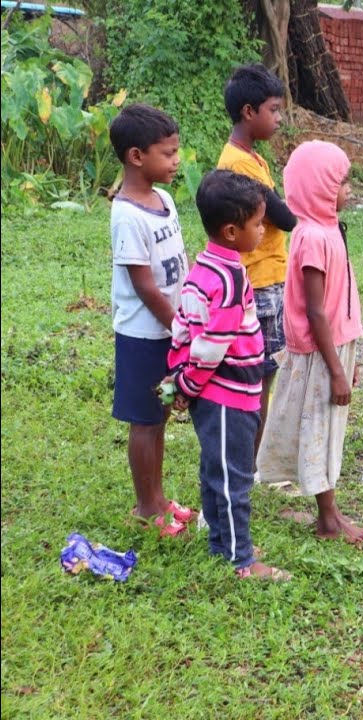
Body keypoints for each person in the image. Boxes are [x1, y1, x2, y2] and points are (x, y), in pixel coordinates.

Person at [167, 170, 289, 581]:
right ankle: (242, 560)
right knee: (233, 478)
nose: (263, 229)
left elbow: (182, 328)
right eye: (258, 224)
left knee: (214, 470)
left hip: (220, 393)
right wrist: (186, 382)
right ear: (233, 231)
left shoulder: (202, 268)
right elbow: (210, 344)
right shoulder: (231, 277)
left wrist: (178, 375)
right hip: (226, 396)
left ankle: (223, 543)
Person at [256, 141, 363, 543]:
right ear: (318, 186)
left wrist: (348, 359)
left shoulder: (329, 229)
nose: (349, 190)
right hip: (322, 353)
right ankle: (327, 519)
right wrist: (336, 371)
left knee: (330, 432)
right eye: (341, 182)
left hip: (336, 347)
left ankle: (331, 512)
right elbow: (316, 311)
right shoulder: (311, 238)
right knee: (320, 431)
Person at [108, 104, 196, 536]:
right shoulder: (126, 214)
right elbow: (143, 284)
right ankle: (147, 508)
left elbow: (179, 259)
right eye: (168, 153)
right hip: (145, 334)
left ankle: (158, 499)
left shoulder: (163, 199)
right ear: (136, 156)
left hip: (171, 326)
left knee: (159, 414)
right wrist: (179, 325)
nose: (176, 160)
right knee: (145, 420)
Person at [218, 63, 297, 465]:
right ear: (249, 112)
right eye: (274, 109)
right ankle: (249, 461)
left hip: (269, 276)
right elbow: (283, 216)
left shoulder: (251, 157)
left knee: (265, 375)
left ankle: (252, 457)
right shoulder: (241, 165)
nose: (279, 118)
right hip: (259, 282)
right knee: (260, 377)